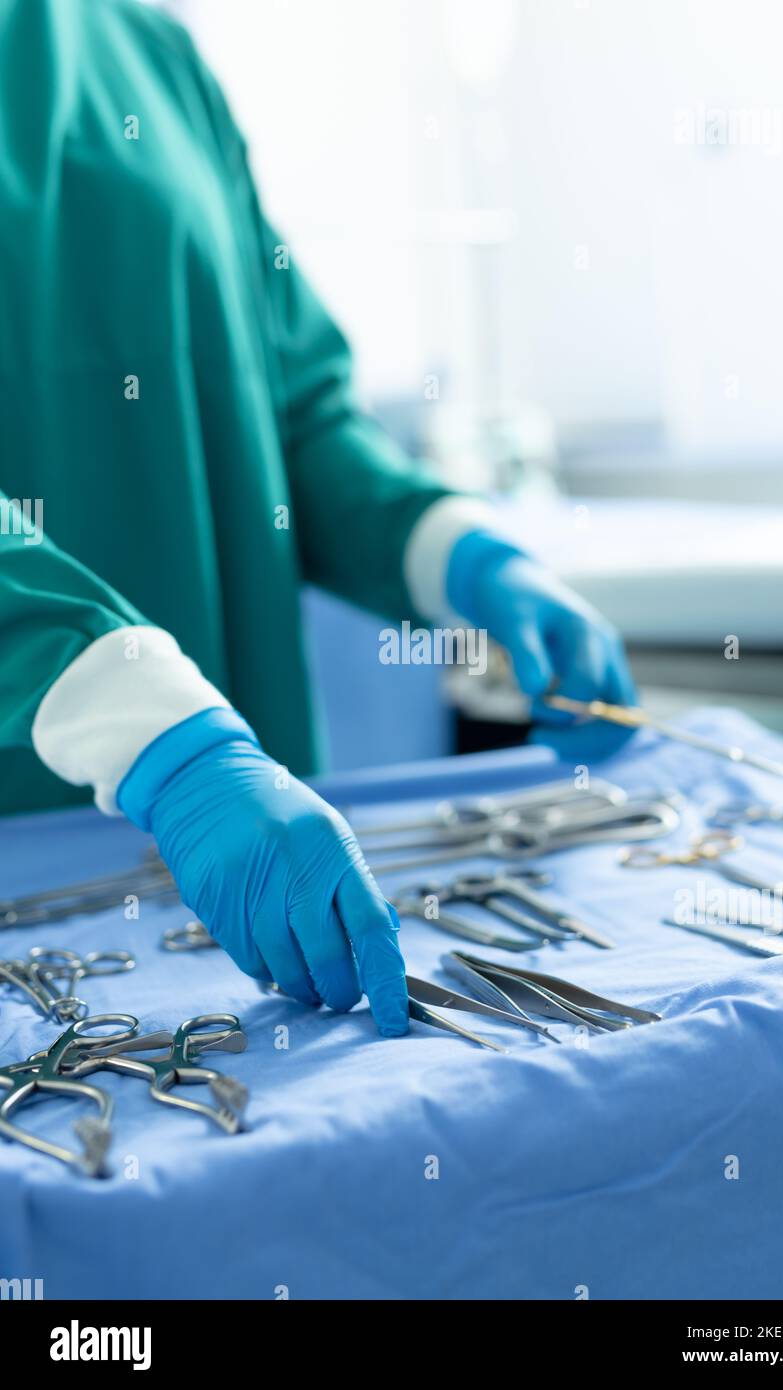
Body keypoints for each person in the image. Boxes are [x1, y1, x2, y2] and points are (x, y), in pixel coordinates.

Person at [0, 0, 636, 1037]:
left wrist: (453, 551)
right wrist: (157, 741)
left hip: (243, 875)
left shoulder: (148, 51)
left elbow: (289, 405)